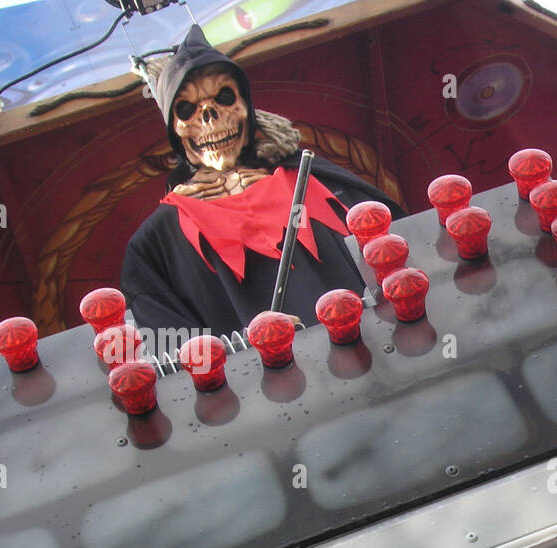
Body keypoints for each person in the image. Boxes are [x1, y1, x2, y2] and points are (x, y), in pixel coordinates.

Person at [121, 25, 404, 340]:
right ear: (175, 131)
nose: (209, 118)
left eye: (224, 98)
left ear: (246, 108)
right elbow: (174, 353)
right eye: (187, 110)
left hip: (379, 347)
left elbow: (401, 253)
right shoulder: (156, 246)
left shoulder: (318, 180)